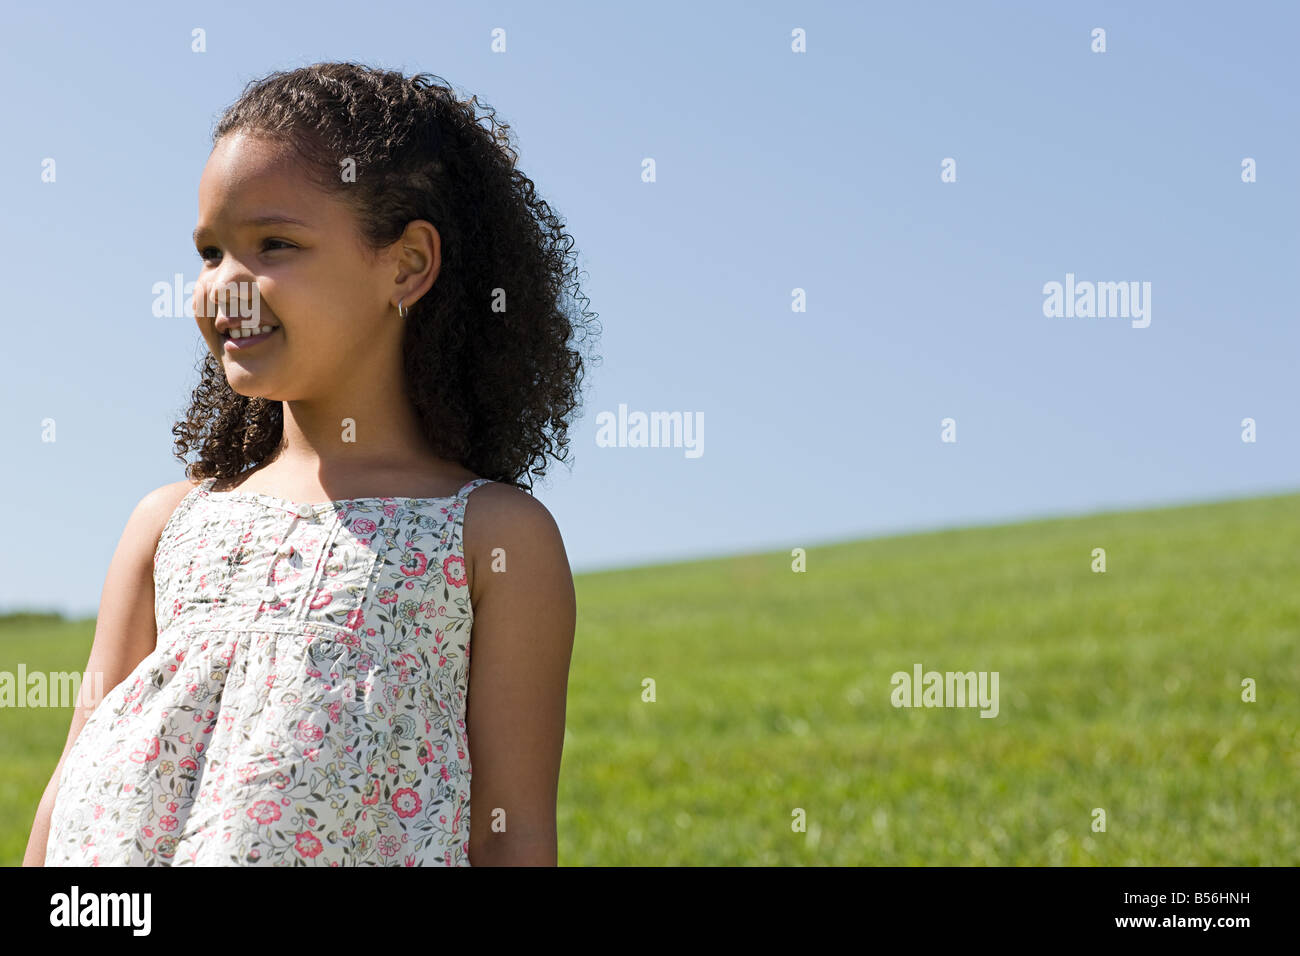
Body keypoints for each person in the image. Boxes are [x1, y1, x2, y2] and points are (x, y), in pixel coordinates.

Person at [23, 62, 595, 866]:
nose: (226, 286)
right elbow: (73, 779)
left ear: (406, 266)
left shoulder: (494, 536)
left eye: (274, 245)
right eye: (211, 251)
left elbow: (514, 834)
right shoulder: (167, 525)